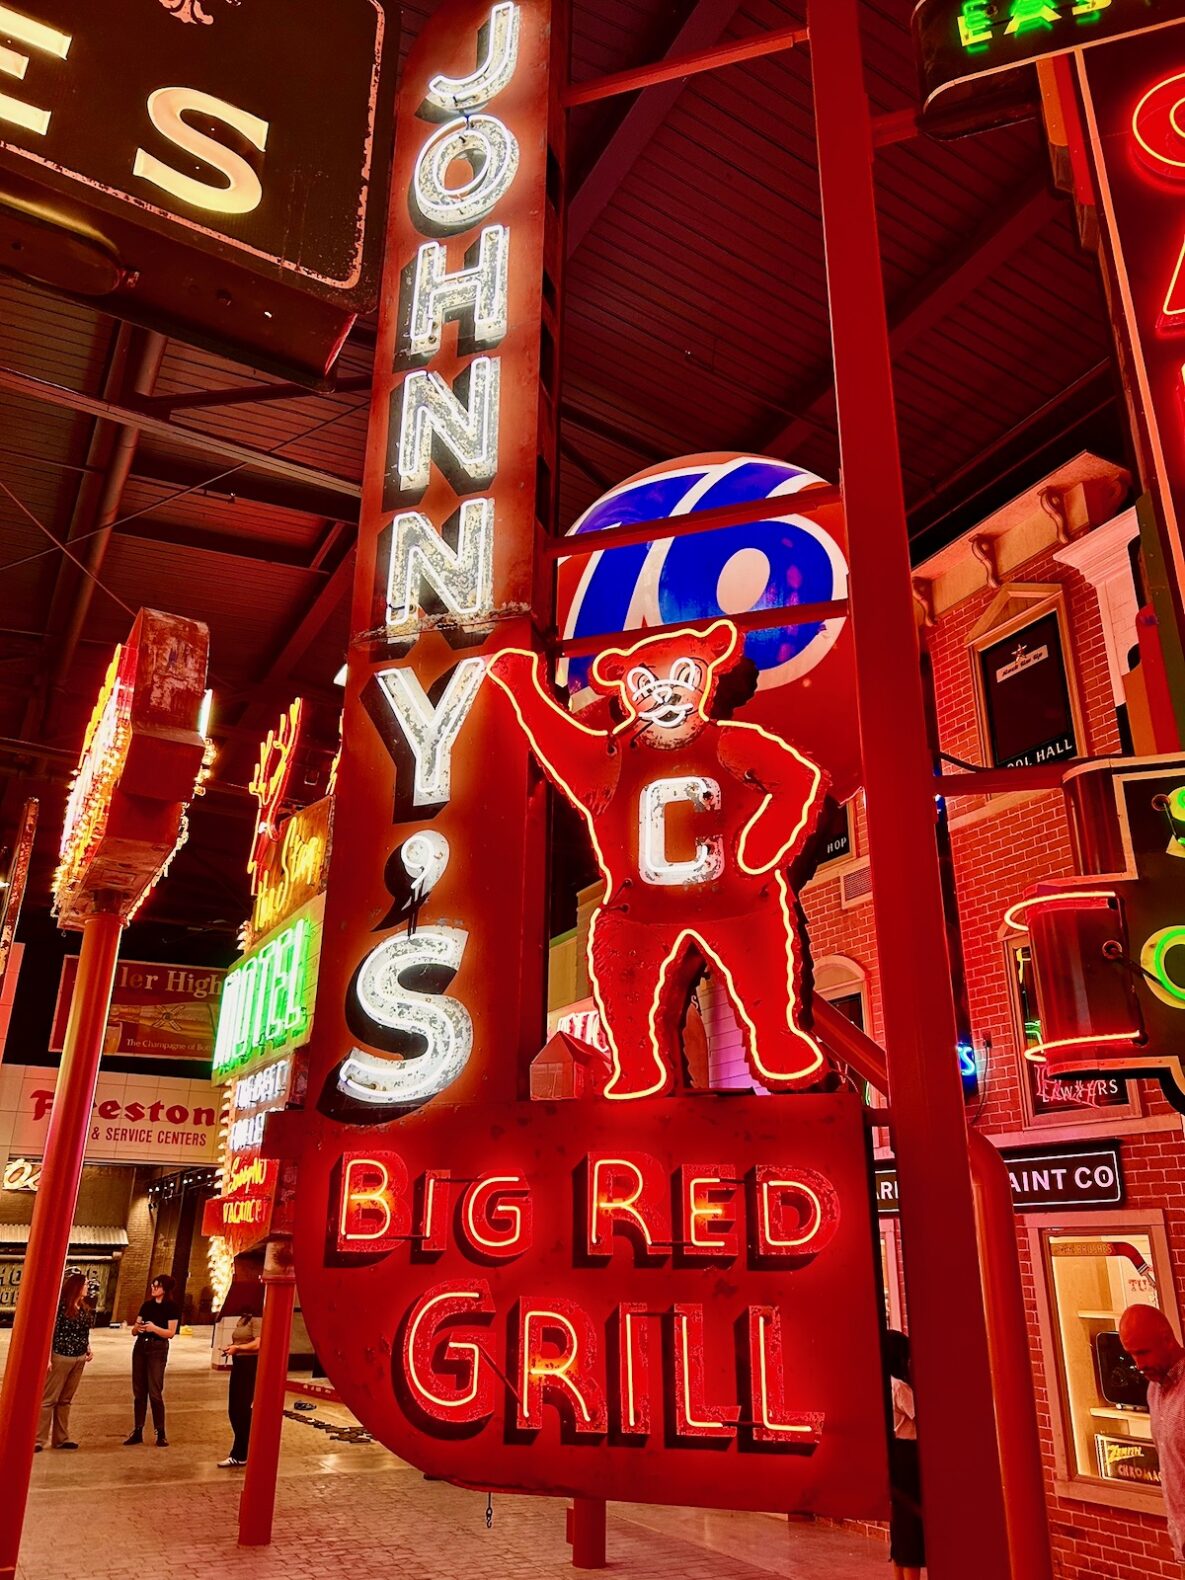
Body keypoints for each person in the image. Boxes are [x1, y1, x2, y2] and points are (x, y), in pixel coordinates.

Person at [1119, 1304, 1185, 1565]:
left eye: (1144, 1352)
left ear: (1167, 1340)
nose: (1139, 1364)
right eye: (1132, 1355)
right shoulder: (1154, 1392)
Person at [35, 1270, 93, 1452]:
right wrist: (47, 1357)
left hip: (79, 1357)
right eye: (85, 1284)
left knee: (65, 1399)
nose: (87, 1287)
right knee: (49, 1399)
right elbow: (50, 1332)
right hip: (61, 1356)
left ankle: (61, 1438)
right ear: (76, 1286)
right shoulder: (60, 1308)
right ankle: (38, 1439)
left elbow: (84, 1332)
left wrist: (88, 1348)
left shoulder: (84, 1308)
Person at [885, 1329, 924, 1580]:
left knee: (899, 1523)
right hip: (909, 1455)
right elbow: (923, 1419)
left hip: (893, 1453)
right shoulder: (900, 1388)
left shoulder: (882, 1384)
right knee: (912, 1523)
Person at [124, 1273, 181, 1447]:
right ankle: (138, 1430)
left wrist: (154, 1328)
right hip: (141, 1346)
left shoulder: (172, 1307)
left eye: (157, 1286)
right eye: (152, 1285)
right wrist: (137, 1329)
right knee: (139, 1391)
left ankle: (160, 1432)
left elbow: (170, 1333)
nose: (153, 1289)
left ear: (165, 1288)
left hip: (158, 1348)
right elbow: (134, 1329)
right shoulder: (146, 1305)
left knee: (155, 1392)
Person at [218, 1263, 263, 1468]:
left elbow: (260, 1342)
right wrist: (233, 1348)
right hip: (239, 1362)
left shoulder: (258, 1317)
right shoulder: (243, 1318)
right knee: (234, 1408)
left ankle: (241, 1451)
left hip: (249, 1365)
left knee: (241, 1409)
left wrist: (239, 1348)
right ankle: (242, 1449)